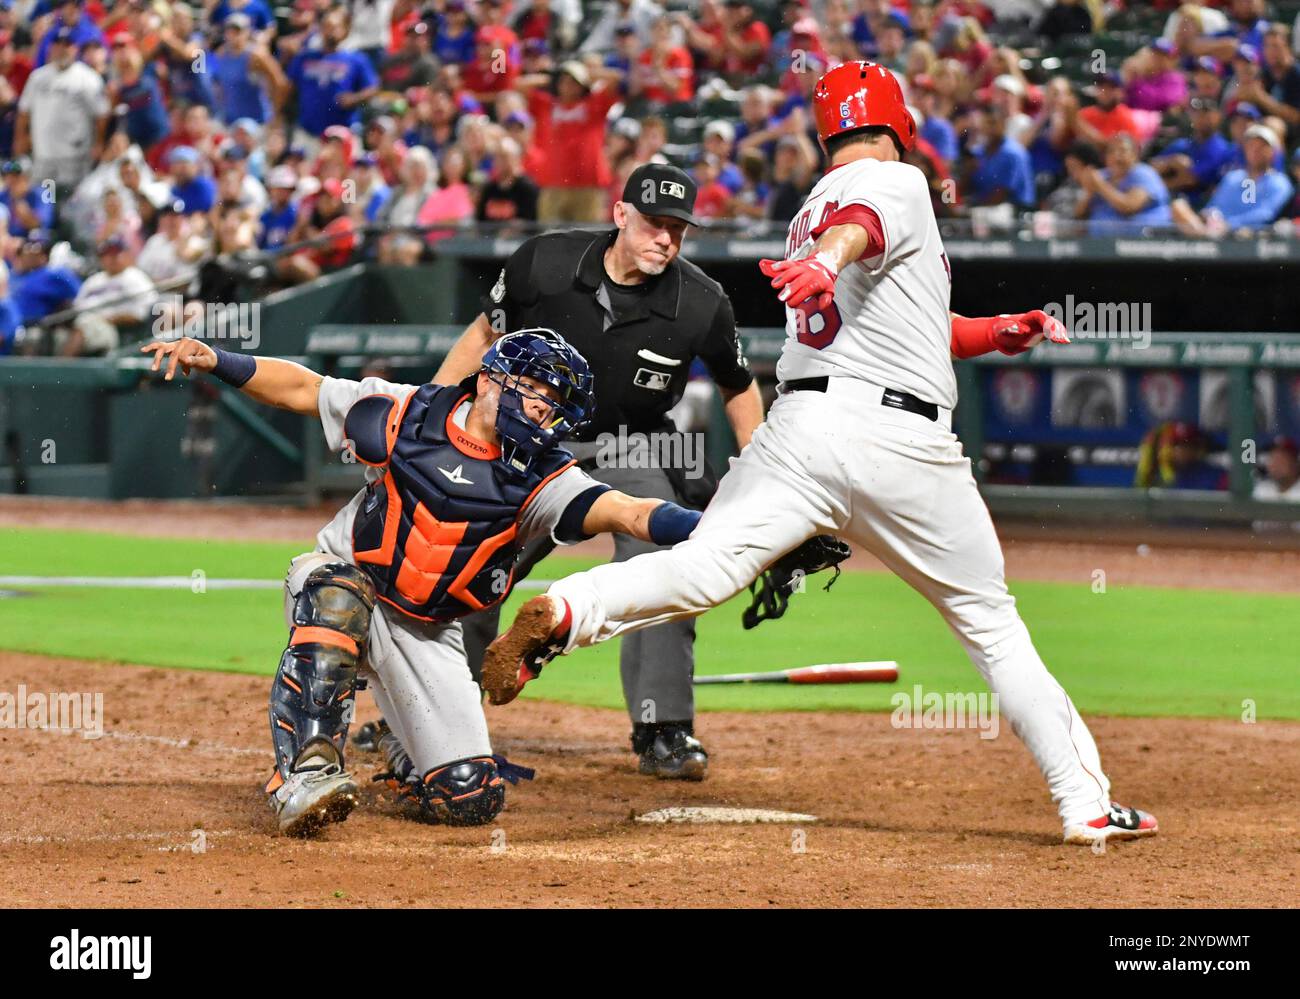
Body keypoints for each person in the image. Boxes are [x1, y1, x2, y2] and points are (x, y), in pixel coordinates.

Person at [481, 61, 1160, 848]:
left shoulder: (809, 209)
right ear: (897, 123)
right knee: (991, 624)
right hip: (903, 446)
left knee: (703, 568)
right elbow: (864, 225)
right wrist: (831, 260)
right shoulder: (892, 181)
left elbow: (913, 322)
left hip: (801, 431)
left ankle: (571, 609)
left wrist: (996, 327)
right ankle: (1084, 802)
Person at [137, 328, 709, 836]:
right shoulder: (406, 411)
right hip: (345, 577)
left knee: (470, 798)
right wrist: (218, 360)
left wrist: (714, 529)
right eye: (539, 393)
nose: (545, 413)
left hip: (429, 630)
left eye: (555, 405)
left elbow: (628, 512)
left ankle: (405, 750)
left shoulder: (543, 475)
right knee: (338, 598)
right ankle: (304, 775)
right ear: (490, 381)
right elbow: (306, 390)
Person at [406, 162, 762, 781]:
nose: (666, 241)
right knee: (469, 561)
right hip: (532, 443)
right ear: (620, 215)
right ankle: (424, 712)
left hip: (634, 447)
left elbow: (738, 385)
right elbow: (484, 336)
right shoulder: (544, 263)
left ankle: (663, 728)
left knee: (665, 562)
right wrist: (430, 412)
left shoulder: (700, 300)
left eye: (678, 230)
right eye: (654, 224)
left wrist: (757, 473)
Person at [14, 26, 110, 192]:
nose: (62, 49)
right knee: (46, 203)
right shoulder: (38, 77)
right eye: (58, 44)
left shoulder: (88, 78)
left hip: (75, 158)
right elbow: (24, 112)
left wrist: (99, 142)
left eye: (67, 45)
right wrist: (20, 138)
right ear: (51, 48)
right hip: (44, 158)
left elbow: (102, 114)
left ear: (75, 49)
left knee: (71, 206)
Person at [1072, 132, 1173, 234]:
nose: (1116, 156)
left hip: (1141, 243)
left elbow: (1129, 206)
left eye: (1122, 151)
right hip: (1100, 243)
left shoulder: (1143, 173)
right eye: (1111, 151)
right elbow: (1079, 215)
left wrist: (1100, 185)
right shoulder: (1102, 175)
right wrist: (1089, 192)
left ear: (1135, 155)